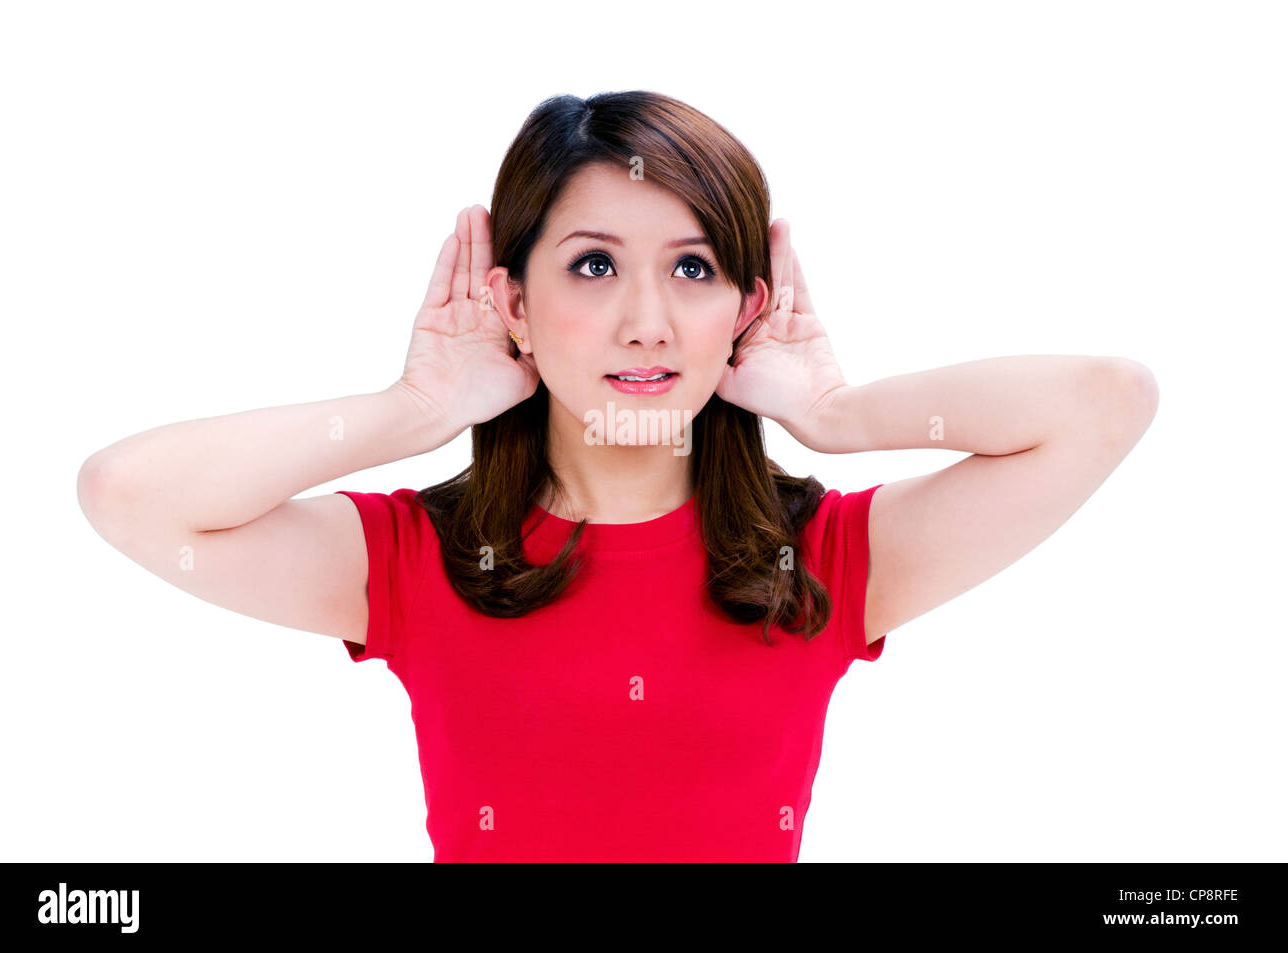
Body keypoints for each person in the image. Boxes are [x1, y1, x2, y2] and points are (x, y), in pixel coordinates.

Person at [75, 90, 1159, 862]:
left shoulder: (823, 560)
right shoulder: (416, 561)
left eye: (691, 268)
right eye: (593, 264)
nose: (645, 320)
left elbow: (1104, 400)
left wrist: (837, 415)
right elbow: (129, 493)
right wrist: (410, 411)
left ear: (744, 309)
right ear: (513, 302)